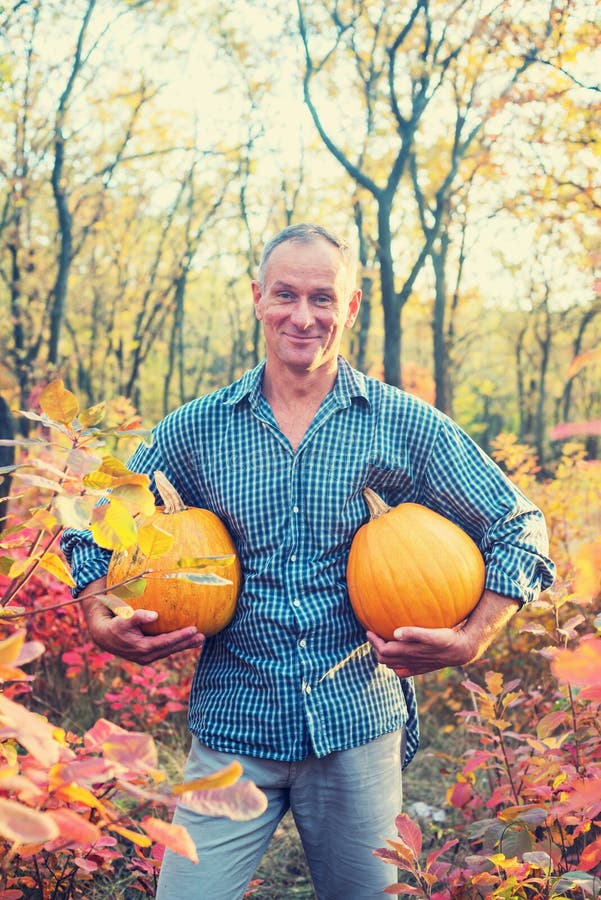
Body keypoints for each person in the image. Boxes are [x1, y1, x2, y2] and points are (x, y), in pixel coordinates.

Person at [62, 223, 555, 899]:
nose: (303, 316)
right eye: (285, 295)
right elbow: (93, 516)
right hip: (235, 721)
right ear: (258, 298)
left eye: (322, 298)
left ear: (349, 307)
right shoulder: (196, 430)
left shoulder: (399, 424)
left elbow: (516, 523)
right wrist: (94, 608)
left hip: (357, 722)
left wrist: (472, 638)